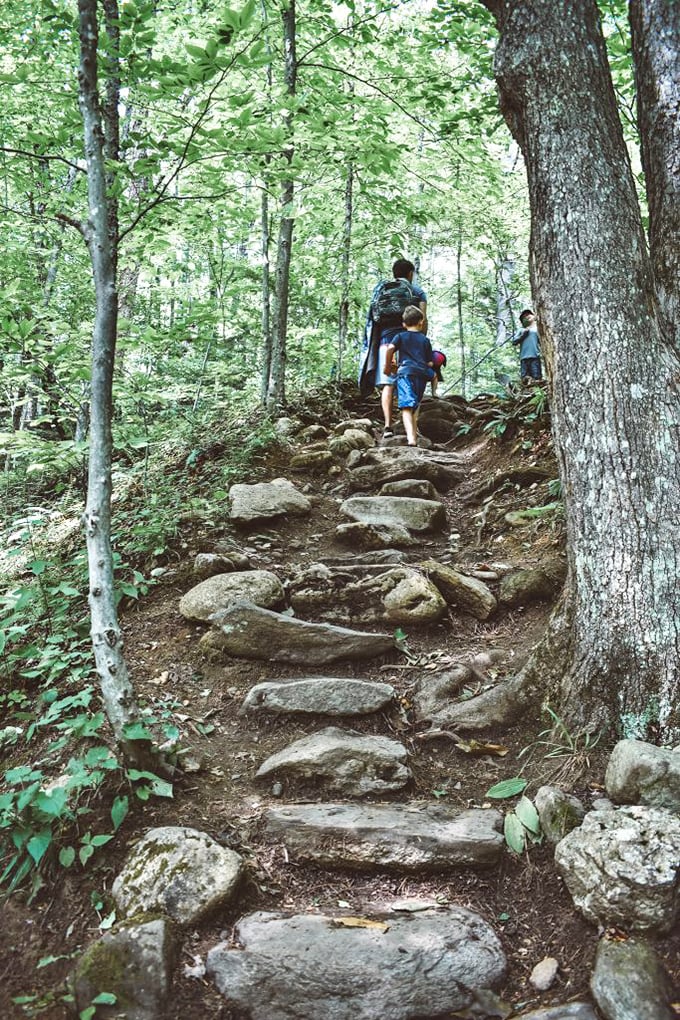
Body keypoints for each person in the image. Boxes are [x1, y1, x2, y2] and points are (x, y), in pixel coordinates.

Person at [358, 258, 428, 436]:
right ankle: (412, 428)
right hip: (410, 345)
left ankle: (388, 426)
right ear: (410, 273)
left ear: (394, 273)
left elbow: (374, 318)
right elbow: (423, 319)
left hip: (385, 342)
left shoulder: (382, 291)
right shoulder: (417, 292)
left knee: (387, 384)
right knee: (412, 382)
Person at [382, 305, 434, 447]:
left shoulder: (400, 336)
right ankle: (414, 434)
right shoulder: (425, 340)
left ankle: (411, 439)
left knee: (406, 407)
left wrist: (387, 366)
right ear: (421, 322)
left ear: (404, 324)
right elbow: (430, 362)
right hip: (421, 375)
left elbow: (391, 348)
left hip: (405, 373)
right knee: (415, 405)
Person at [512, 308, 542, 382]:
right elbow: (514, 342)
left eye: (528, 314)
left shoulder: (537, 329)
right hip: (524, 358)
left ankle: (537, 393)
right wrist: (523, 335)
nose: (526, 316)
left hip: (535, 356)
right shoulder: (521, 330)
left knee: (536, 378)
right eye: (524, 316)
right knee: (525, 380)